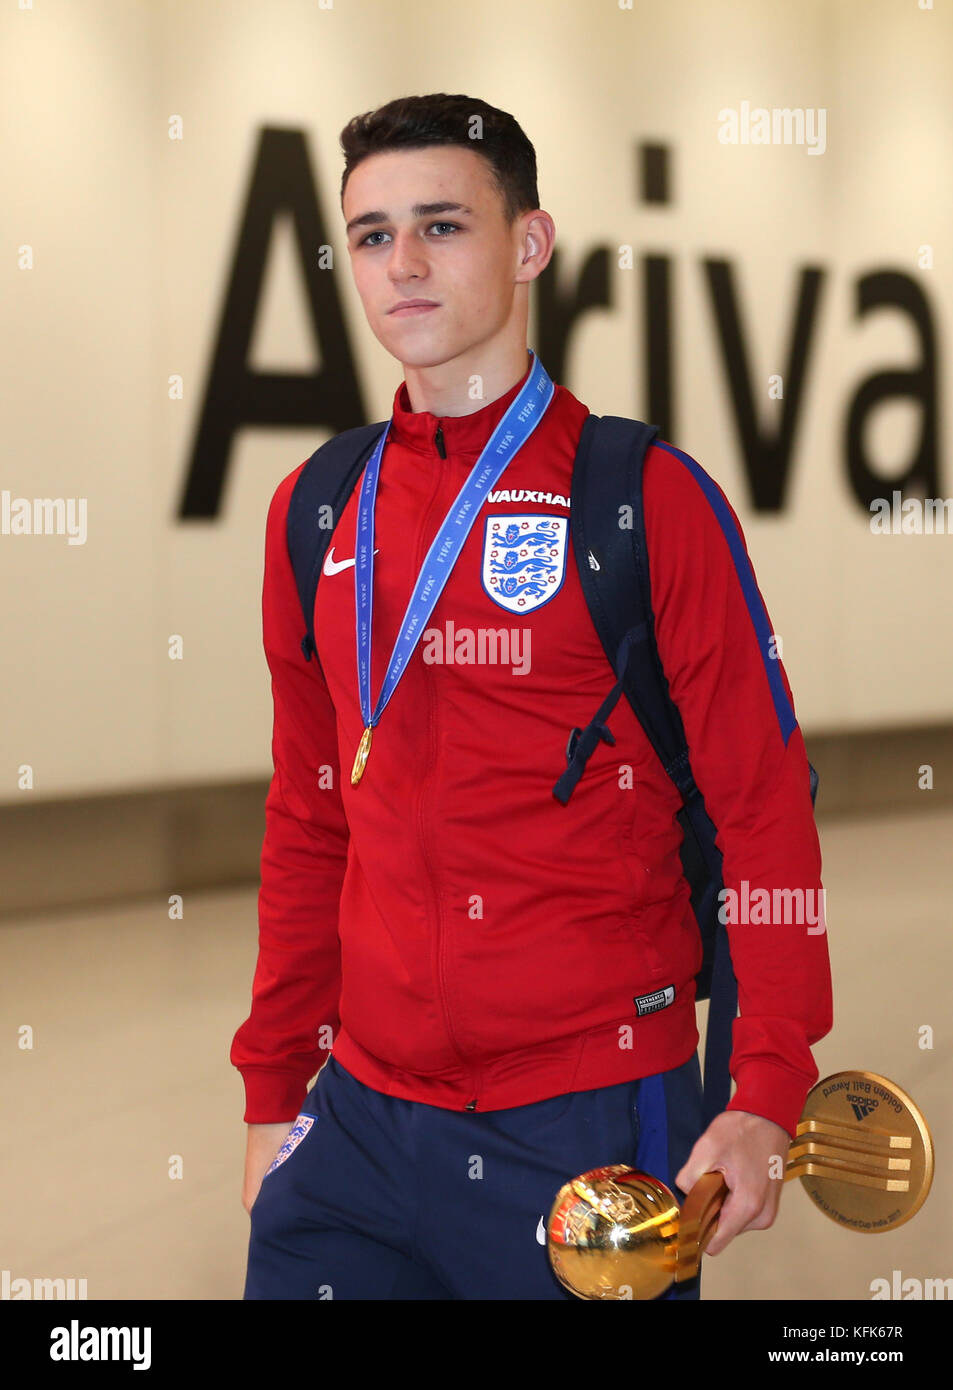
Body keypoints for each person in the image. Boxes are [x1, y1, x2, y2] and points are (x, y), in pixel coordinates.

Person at [230, 92, 833, 1301]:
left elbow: (762, 805)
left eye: (441, 225)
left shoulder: (640, 500)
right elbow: (309, 817)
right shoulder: (316, 509)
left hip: (584, 1130)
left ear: (528, 245)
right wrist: (274, 1086)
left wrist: (767, 1086)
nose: (400, 264)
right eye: (368, 233)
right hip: (355, 1129)